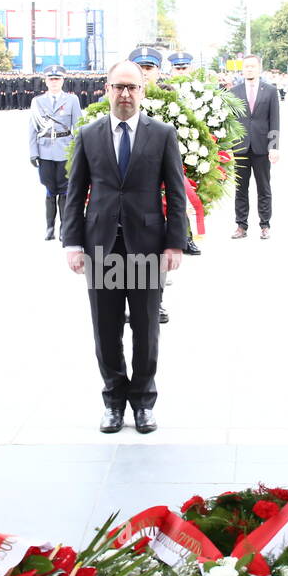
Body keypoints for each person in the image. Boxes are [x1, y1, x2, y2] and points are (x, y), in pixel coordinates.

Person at [63, 60, 187, 433]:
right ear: (107, 89)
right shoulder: (88, 134)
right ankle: (114, 401)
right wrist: (72, 242)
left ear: (142, 91)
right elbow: (75, 193)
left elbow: (176, 193)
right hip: (101, 246)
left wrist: (174, 244)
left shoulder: (162, 134)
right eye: (119, 87)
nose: (125, 94)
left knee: (147, 329)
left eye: (132, 88)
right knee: (106, 328)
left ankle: (144, 402)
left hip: (147, 247)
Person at [29, 65, 82, 240]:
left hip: (65, 150)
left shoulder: (72, 100)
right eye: (51, 79)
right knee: (50, 189)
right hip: (44, 151)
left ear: (63, 80)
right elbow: (32, 129)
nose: (54, 82)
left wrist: (78, 151)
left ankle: (64, 229)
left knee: (65, 190)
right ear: (45, 81)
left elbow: (79, 126)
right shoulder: (37, 102)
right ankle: (50, 227)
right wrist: (33, 152)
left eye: (57, 79)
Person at [230, 55, 280, 239]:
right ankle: (241, 226)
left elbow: (274, 120)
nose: (249, 69)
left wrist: (274, 146)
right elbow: (230, 120)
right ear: (242, 69)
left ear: (259, 68)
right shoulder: (234, 91)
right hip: (240, 147)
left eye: (252, 66)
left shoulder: (270, 91)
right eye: (246, 66)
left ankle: (265, 225)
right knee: (240, 188)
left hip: (262, 147)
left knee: (263, 187)